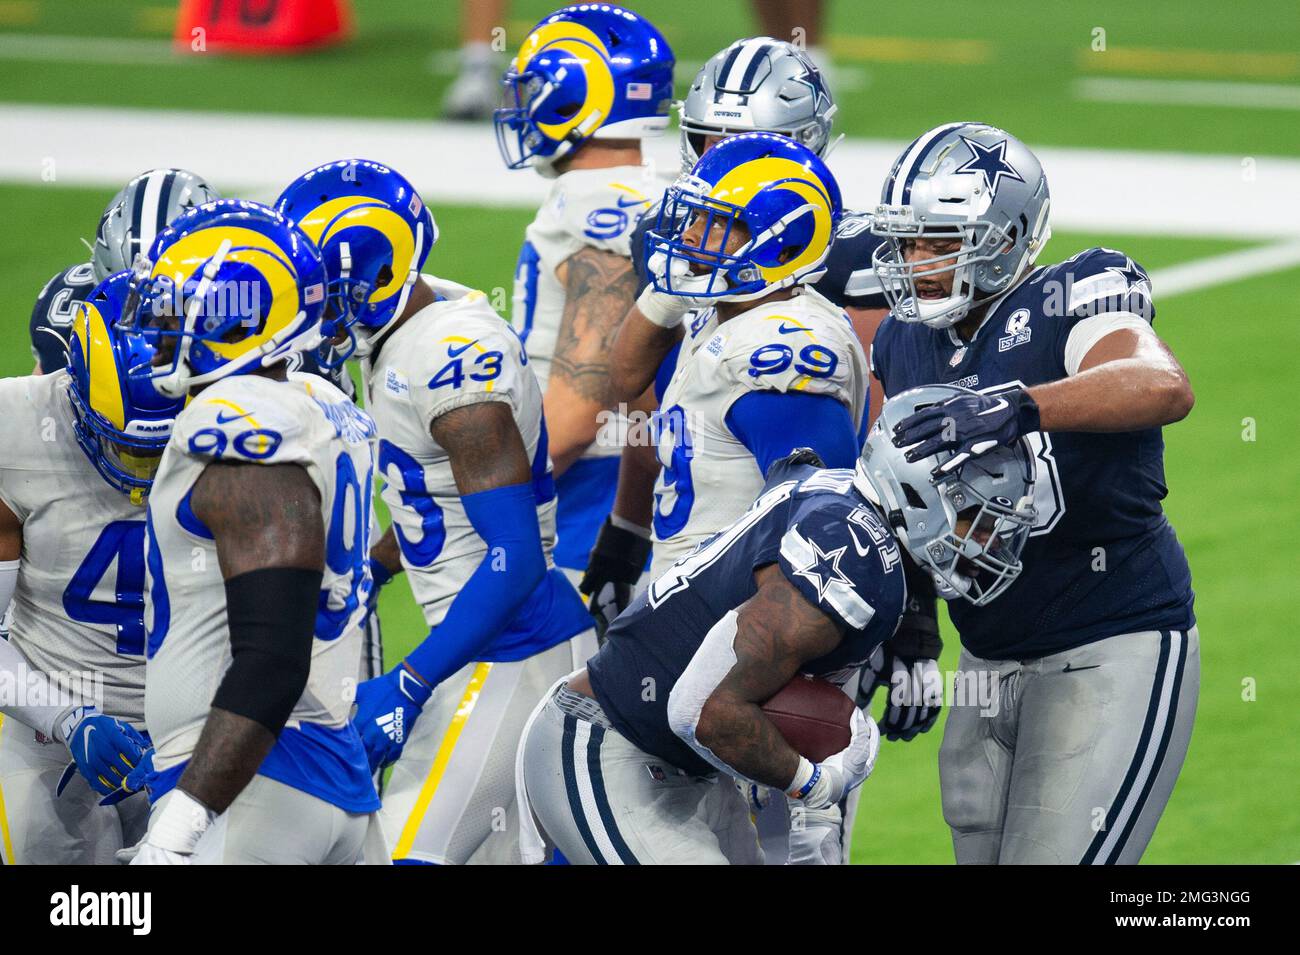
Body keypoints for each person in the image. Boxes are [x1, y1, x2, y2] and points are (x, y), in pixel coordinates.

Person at [518, 387, 1039, 864]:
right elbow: (702, 711)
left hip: (686, 767)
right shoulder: (854, 559)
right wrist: (814, 785)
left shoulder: (842, 501)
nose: (990, 538)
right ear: (921, 495)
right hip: (608, 743)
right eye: (979, 516)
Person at [869, 121, 1199, 864]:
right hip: (987, 658)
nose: (914, 261)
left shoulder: (1073, 292)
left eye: (937, 241)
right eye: (906, 242)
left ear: (1006, 235)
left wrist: (1020, 404)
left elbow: (1161, 384)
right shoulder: (904, 340)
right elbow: (904, 490)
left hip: (1109, 639)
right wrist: (917, 627)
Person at [276, 160, 595, 864]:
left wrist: (410, 683)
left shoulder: (451, 357)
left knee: (400, 853)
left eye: (315, 287)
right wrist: (376, 564)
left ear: (374, 273)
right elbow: (437, 492)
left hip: (510, 652)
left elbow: (515, 555)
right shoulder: (410, 329)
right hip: (495, 646)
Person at [121, 199, 383, 864]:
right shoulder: (324, 402)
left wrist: (177, 829)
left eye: (179, 306)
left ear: (240, 315)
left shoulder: (239, 417)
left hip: (246, 786)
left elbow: (272, 657)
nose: (159, 324)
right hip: (330, 775)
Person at [0, 271, 184, 863]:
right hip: (47, 726)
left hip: (192, 736)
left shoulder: (238, 425)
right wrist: (67, 719)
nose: (141, 467)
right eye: (125, 443)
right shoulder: (18, 431)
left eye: (157, 447)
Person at [495, 3, 675, 588]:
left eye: (535, 89)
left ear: (576, 96)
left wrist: (476, 497)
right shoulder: (652, 194)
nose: (523, 106)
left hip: (576, 507)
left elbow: (579, 412)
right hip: (629, 486)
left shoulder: (595, 206)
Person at [29, 169, 220, 376]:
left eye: (172, 307)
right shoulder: (72, 319)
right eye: (132, 300)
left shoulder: (244, 306)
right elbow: (40, 403)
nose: (152, 328)